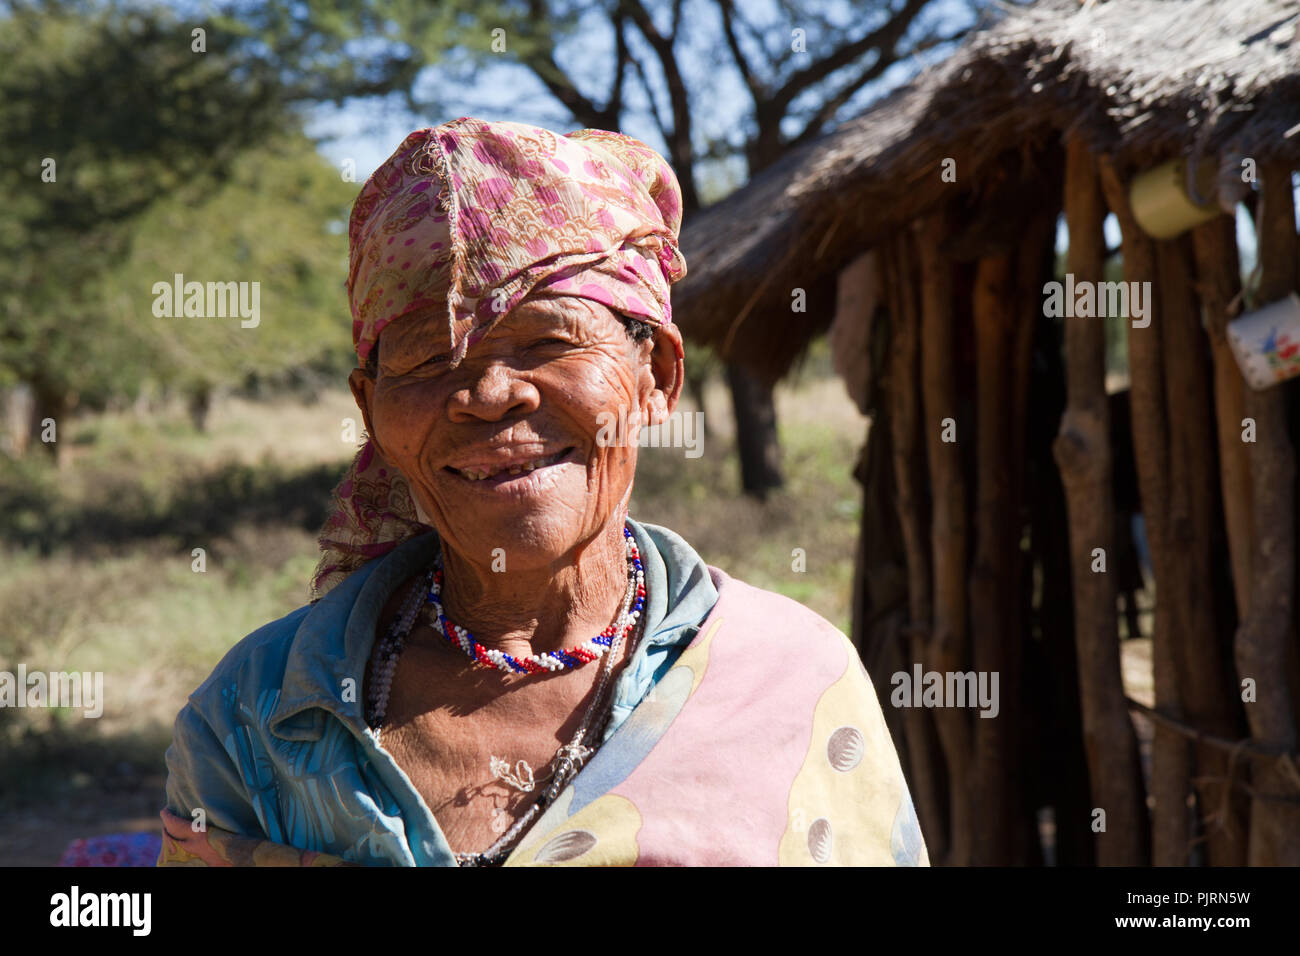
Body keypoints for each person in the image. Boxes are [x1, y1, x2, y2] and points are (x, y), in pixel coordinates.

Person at [158, 117, 926, 867]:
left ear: (656, 374)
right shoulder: (254, 717)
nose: (489, 394)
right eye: (430, 358)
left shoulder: (792, 682)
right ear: (371, 411)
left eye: (549, 340)